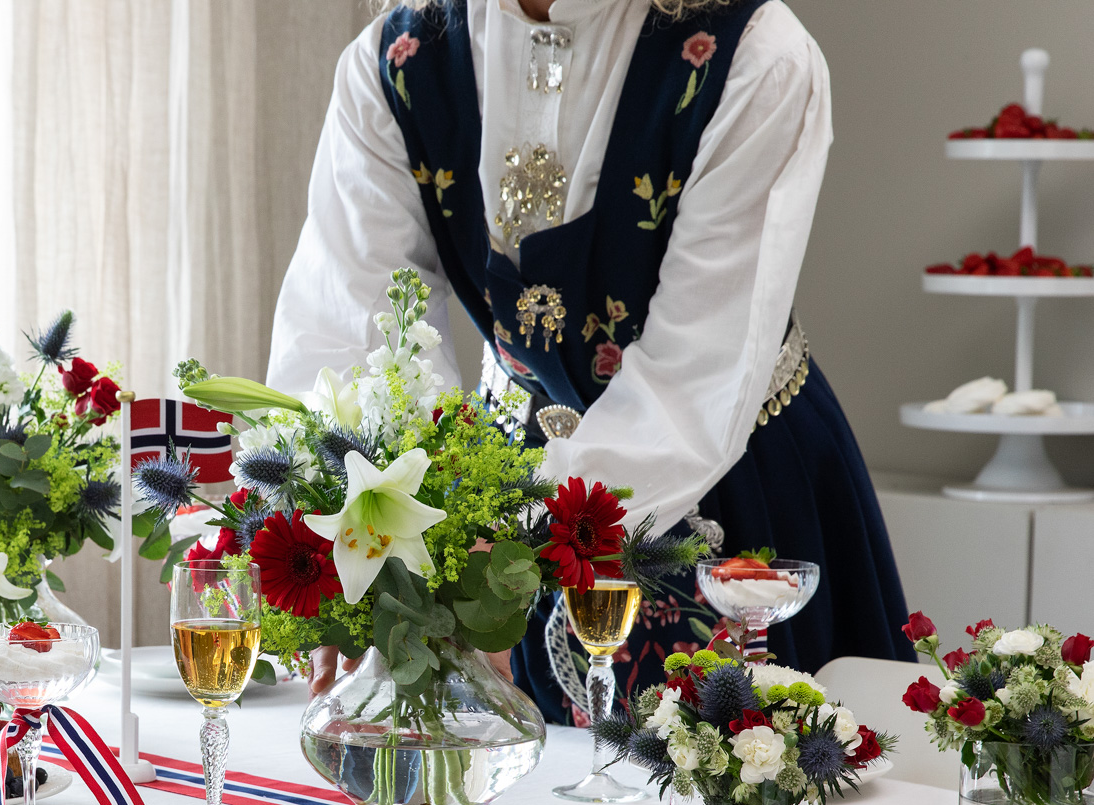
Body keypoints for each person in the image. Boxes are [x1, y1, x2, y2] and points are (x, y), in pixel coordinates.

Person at [268, 0, 915, 724]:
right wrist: (395, 562)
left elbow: (694, 382)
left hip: (727, 481)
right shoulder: (394, 63)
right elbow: (354, 336)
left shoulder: (759, 55)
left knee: (735, 779)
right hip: (493, 485)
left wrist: (496, 560)